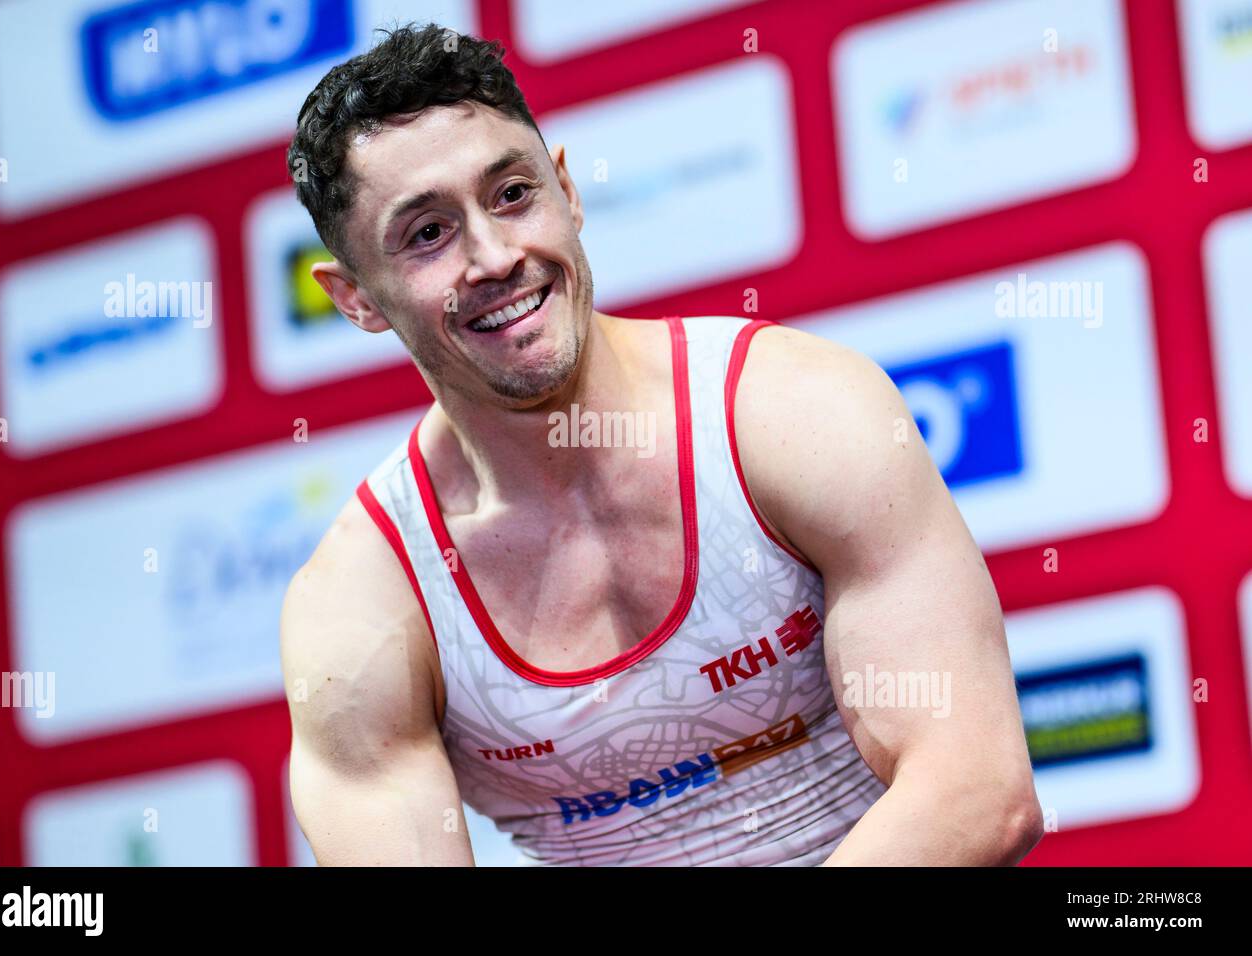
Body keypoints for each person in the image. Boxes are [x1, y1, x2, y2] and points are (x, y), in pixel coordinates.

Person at [279, 21, 1042, 866]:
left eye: (511, 195)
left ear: (566, 191)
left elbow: (977, 794)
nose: (494, 257)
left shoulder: (790, 413)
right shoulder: (361, 603)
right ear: (355, 300)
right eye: (427, 233)